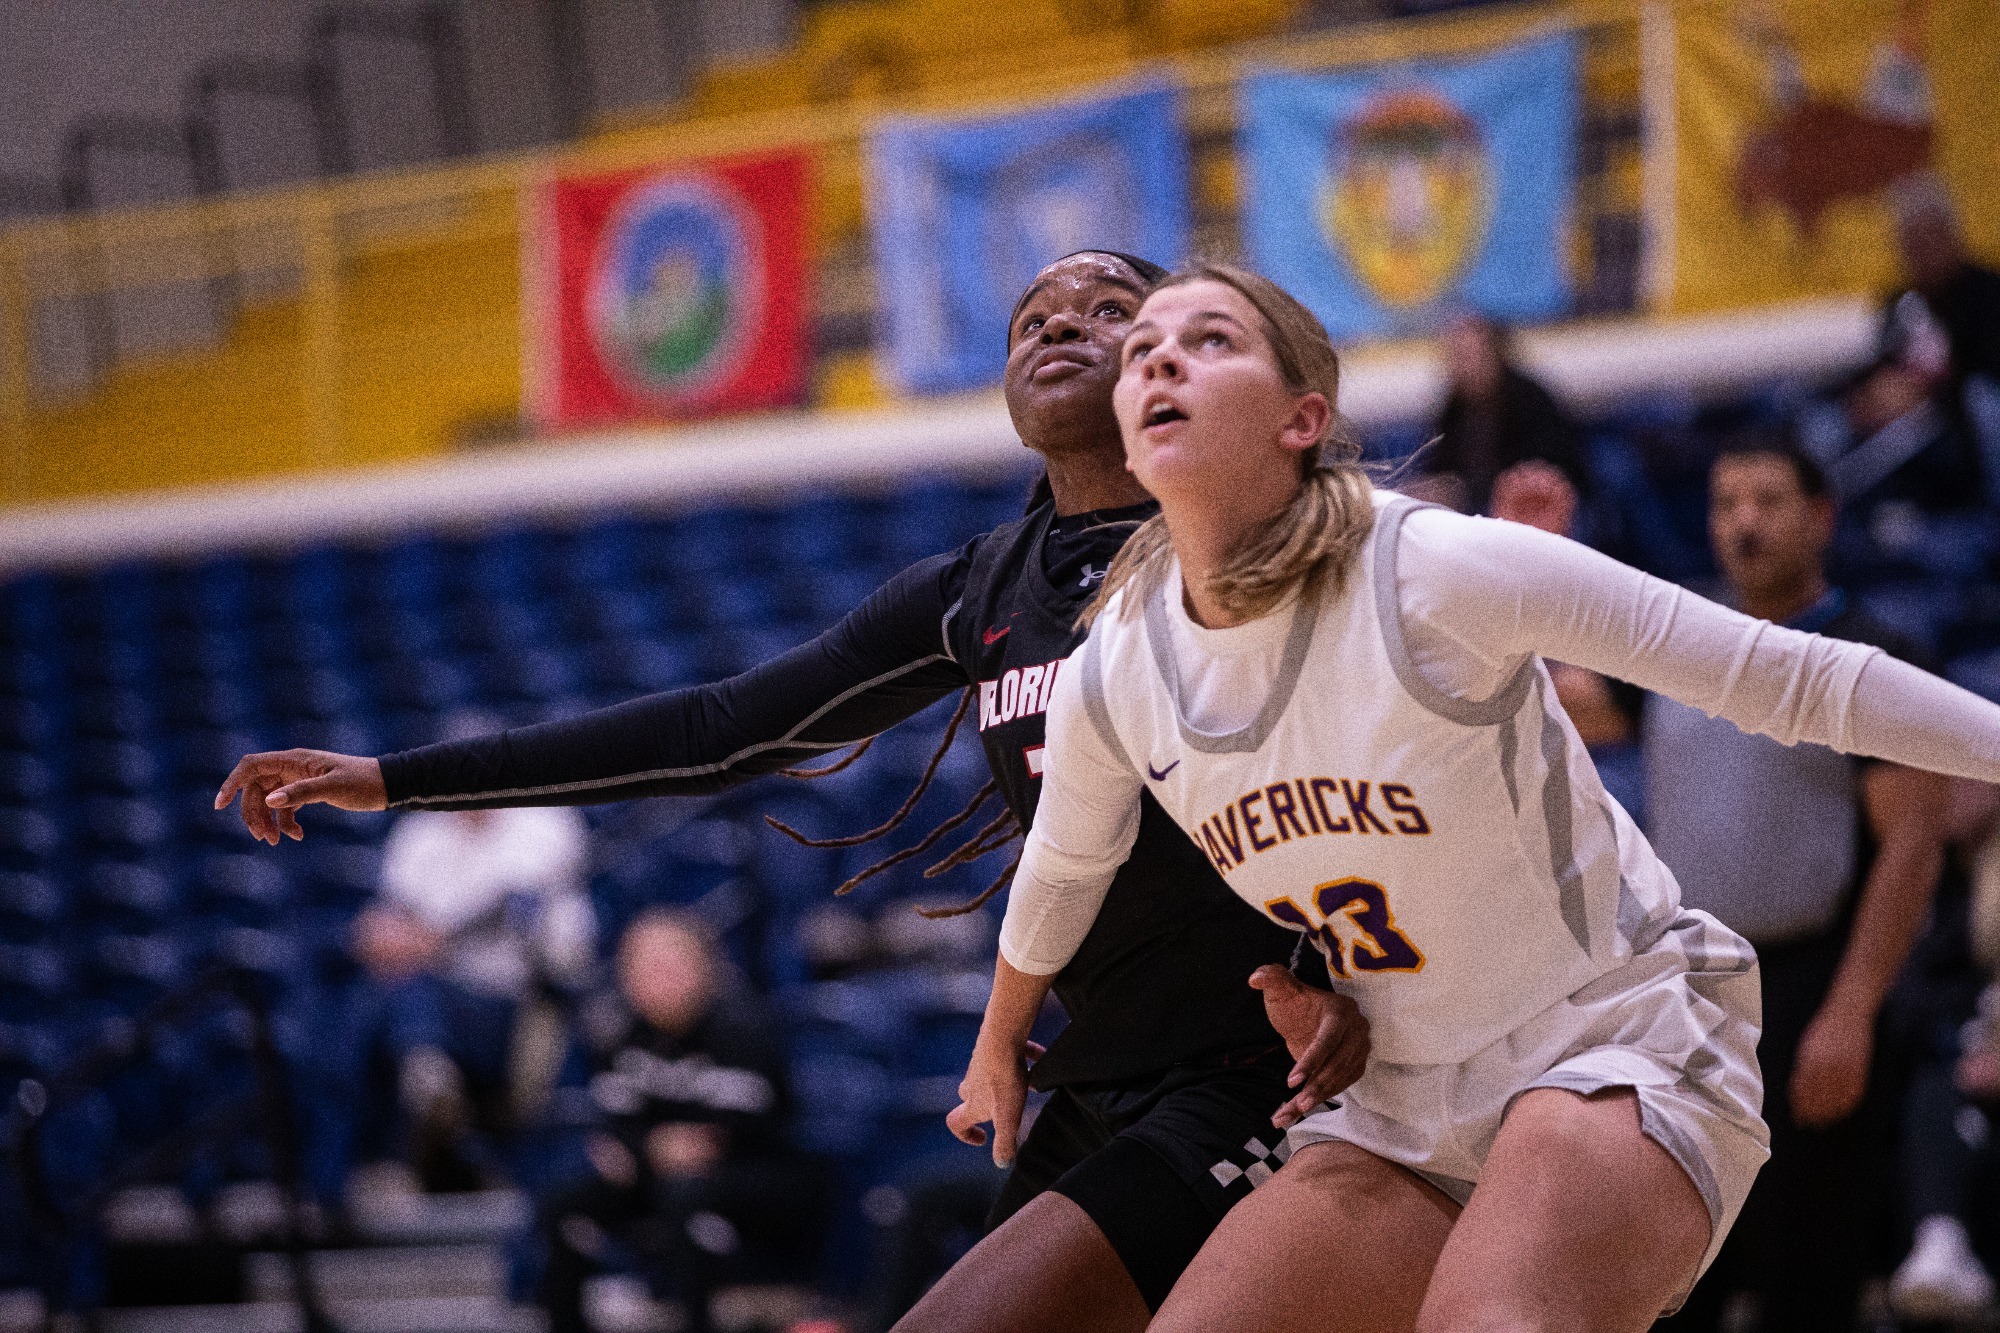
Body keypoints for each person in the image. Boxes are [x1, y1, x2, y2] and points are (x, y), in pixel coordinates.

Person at [215, 251, 1368, 1333]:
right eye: (1031, 321)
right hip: (1100, 1069)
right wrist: (398, 781)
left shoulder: (1239, 546)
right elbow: (723, 726)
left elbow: (1374, 773)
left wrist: (1350, 979)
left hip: (1257, 1067)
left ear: (1169, 362)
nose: (1060, 325)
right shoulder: (980, 588)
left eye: (1106, 310)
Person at [958, 261, 2000, 1331]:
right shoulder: (1115, 665)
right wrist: (998, 1045)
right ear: (1129, 434)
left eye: (1211, 339)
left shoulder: (1426, 570)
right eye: (1144, 353)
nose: (1161, 357)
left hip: (1607, 1039)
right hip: (1394, 1101)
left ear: (1300, 418)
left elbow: (1793, 677)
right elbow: (1064, 864)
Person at [1644, 438, 1952, 1331]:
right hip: (1689, 992)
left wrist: (1852, 1012)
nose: (1743, 520)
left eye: (1767, 500)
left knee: (1808, 1271)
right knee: (1676, 1270)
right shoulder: (1681, 639)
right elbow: (1556, 697)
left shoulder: (1873, 654)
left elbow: (1913, 847)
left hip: (1814, 986)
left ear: (1821, 515)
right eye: (1725, 500)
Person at [348, 716, 593, 1191]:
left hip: (517, 998)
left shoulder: (545, 825)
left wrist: (434, 941)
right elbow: (381, 935)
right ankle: (416, 1108)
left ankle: (425, 1108)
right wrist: (401, 941)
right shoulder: (418, 836)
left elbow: (568, 943)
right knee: (375, 1002)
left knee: (409, 998)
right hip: (440, 998)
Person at [538, 910, 809, 1333]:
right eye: (641, 966)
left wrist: (660, 1146)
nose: (656, 978)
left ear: (704, 968)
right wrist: (650, 1147)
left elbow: (748, 1126)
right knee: (564, 1199)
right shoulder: (621, 1034)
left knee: (686, 1196)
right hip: (658, 1175)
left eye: (669, 964)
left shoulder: (743, 1027)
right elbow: (616, 1128)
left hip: (758, 1172)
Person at [1408, 312, 1590, 518]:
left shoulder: (1528, 398)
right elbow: (1441, 466)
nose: (1462, 366)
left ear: (1495, 353)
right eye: (1456, 357)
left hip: (1543, 509)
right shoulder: (1454, 407)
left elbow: (1546, 467)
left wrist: (1462, 492)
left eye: (1470, 356)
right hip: (1482, 513)